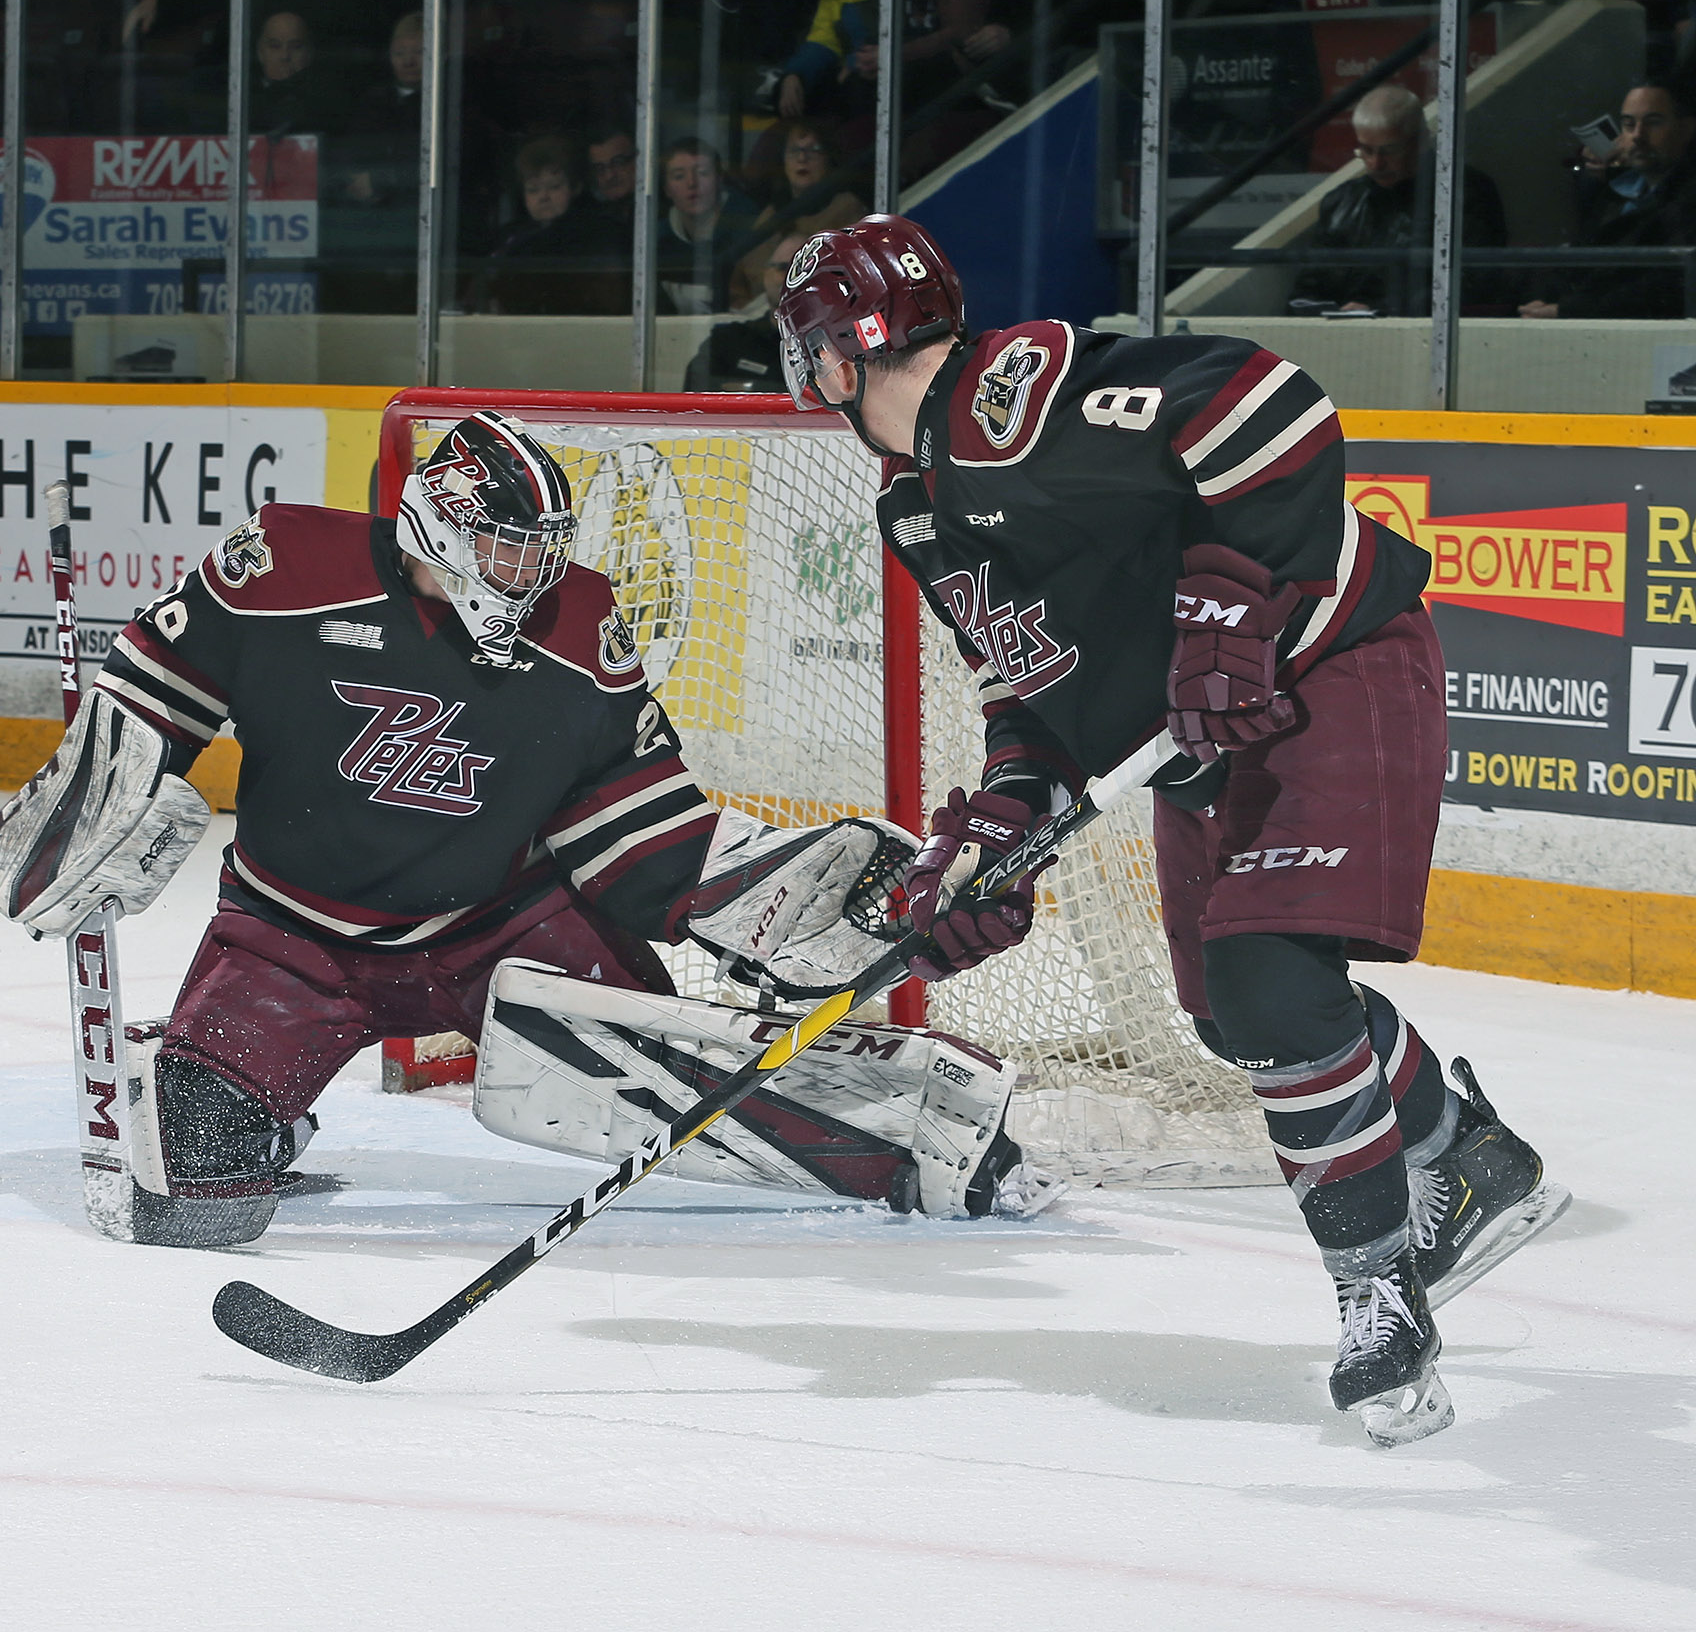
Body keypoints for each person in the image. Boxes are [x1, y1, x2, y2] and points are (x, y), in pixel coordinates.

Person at [775, 214, 1569, 1444]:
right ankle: (1468, 1154)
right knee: (1229, 1012)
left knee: (1267, 983)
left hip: (1329, 669)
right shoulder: (914, 506)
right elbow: (1032, 703)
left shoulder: (1001, 403)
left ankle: (1379, 1296)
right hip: (1205, 742)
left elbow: (1269, 403)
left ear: (835, 354)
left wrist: (1226, 605)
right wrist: (996, 834)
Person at [0, 411, 1054, 1246]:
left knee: (685, 1090)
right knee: (192, 1178)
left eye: (545, 547)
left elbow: (640, 829)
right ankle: (257, 1099)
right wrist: (86, 813)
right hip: (289, 942)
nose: (534, 572)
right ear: (438, 522)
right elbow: (153, 685)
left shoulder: (582, 628)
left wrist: (793, 902)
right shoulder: (286, 568)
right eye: (509, 547)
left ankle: (922, 1136)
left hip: (506, 933)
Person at [1291, 85, 1508, 317]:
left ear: (1420, 141)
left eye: (1389, 151)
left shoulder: (1466, 195)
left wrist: (1379, 311)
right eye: (1366, 150)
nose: (1376, 163)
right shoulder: (1340, 204)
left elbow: (1476, 284)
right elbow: (1305, 293)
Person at [1522, 78, 1696, 320]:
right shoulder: (1615, 192)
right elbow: (1578, 258)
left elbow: (1668, 285)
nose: (1637, 135)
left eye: (1653, 123)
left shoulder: (1686, 199)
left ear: (1687, 129)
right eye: (1628, 124)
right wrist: (1546, 302)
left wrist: (1569, 310)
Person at [472, 138, 624, 315]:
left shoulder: (596, 234)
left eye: (554, 187)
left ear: (575, 188)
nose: (543, 196)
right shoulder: (507, 236)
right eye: (533, 189)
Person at [734, 117, 867, 307]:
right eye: (794, 150)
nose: (802, 158)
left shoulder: (848, 208)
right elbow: (749, 276)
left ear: (829, 158)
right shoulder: (771, 215)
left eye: (814, 150)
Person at [656, 139, 761, 316]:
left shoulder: (751, 228)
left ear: (719, 179)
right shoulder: (656, 238)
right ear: (666, 189)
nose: (691, 183)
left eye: (702, 173)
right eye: (679, 176)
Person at [331, 10, 423, 207]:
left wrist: (380, 180)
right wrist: (350, 180)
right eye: (400, 53)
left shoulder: (448, 105)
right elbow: (346, 153)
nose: (408, 61)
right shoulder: (372, 101)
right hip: (369, 216)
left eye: (420, 52)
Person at [248, 9, 332, 138]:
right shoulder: (240, 98)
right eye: (275, 46)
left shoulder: (327, 101)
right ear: (260, 53)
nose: (285, 56)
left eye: (296, 47)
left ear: (310, 53)